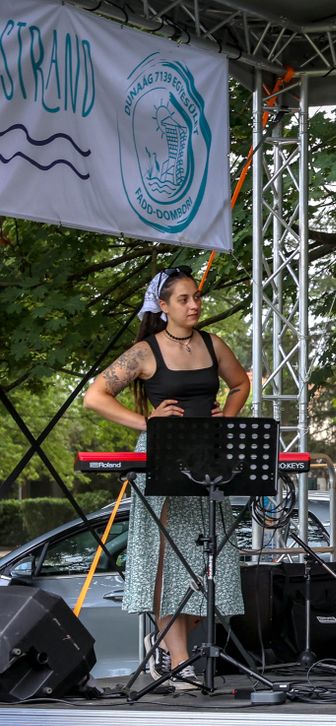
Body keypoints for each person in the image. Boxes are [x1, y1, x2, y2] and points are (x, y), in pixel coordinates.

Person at [83, 266, 251, 689]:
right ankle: (179, 662)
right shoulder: (144, 351)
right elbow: (94, 396)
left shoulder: (213, 343)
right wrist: (146, 424)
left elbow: (240, 384)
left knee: (207, 561)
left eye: (197, 297)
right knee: (167, 562)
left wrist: (226, 421)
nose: (194, 304)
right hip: (163, 457)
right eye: (184, 299)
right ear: (163, 306)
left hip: (209, 460)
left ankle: (165, 647)